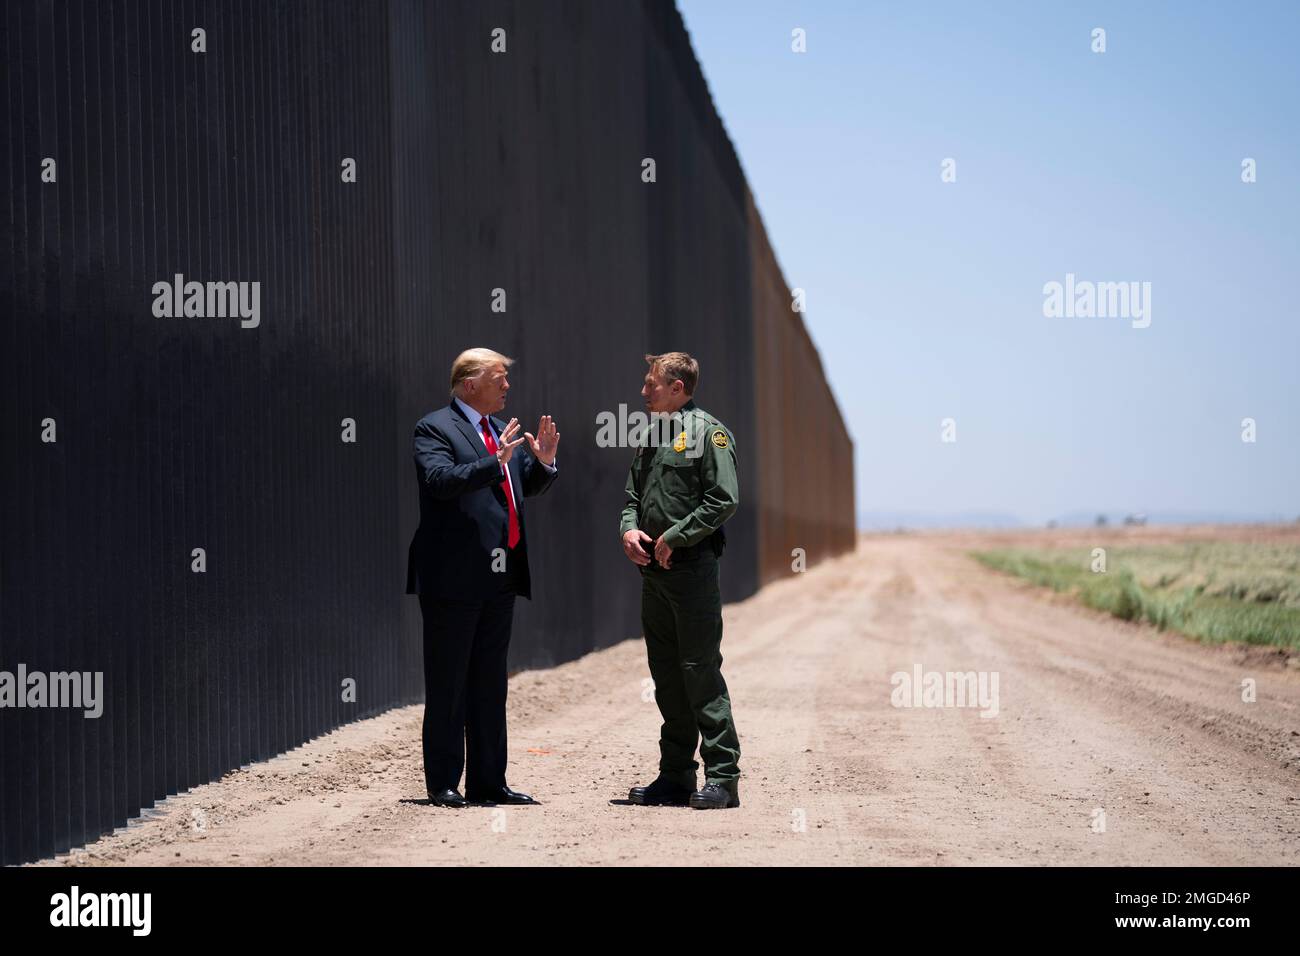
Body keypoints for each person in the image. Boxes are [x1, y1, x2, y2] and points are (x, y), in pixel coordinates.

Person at [405, 348, 559, 807]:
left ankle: (490, 781)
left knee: (491, 683)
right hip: (453, 576)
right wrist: (496, 462)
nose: (507, 386)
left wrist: (543, 463)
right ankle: (444, 782)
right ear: (469, 382)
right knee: (450, 681)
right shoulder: (434, 427)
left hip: (500, 574)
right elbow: (439, 480)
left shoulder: (499, 431)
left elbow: (517, 485)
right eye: (499, 378)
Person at [619, 352, 742, 809]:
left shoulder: (709, 434)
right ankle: (675, 777)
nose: (644, 391)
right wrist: (629, 530)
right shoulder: (653, 435)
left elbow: (723, 498)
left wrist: (676, 535)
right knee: (666, 675)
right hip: (653, 573)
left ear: (677, 387)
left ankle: (724, 778)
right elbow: (633, 494)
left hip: (690, 571)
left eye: (652, 384)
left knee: (699, 671)